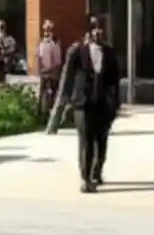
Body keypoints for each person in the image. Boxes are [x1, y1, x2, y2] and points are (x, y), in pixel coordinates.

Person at [46, 14, 120, 194]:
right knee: (86, 140)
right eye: (94, 28)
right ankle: (86, 179)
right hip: (83, 103)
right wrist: (62, 102)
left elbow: (115, 81)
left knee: (101, 140)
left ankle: (97, 170)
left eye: (100, 29)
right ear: (88, 32)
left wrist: (116, 103)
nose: (97, 32)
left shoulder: (109, 53)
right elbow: (67, 78)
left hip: (103, 103)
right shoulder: (77, 52)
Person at [36, 19, 63, 116]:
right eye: (45, 30)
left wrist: (50, 70)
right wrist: (40, 70)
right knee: (42, 94)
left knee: (52, 94)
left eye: (49, 30)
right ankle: (42, 114)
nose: (46, 32)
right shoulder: (41, 43)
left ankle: (52, 114)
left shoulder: (55, 44)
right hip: (43, 73)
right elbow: (38, 57)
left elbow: (57, 62)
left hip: (52, 74)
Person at [0, 19, 17, 84]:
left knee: (7, 80)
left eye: (2, 27)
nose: (1, 28)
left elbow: (13, 48)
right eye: (0, 27)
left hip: (6, 63)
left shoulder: (9, 39)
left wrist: (5, 51)